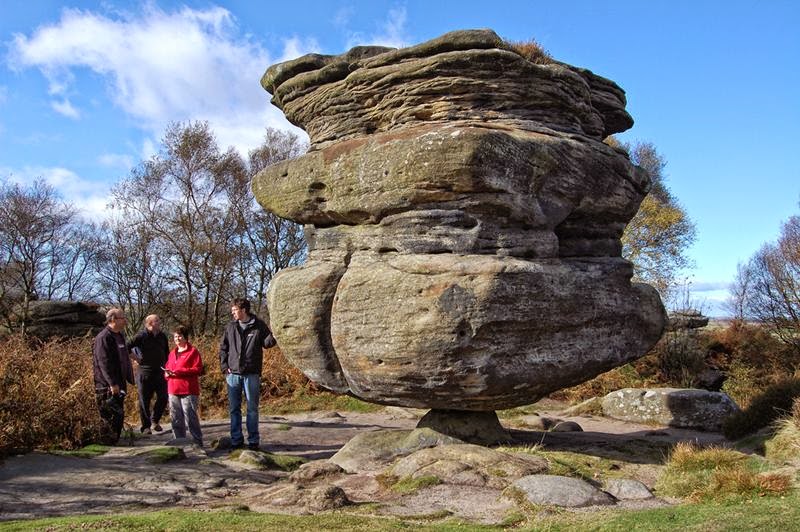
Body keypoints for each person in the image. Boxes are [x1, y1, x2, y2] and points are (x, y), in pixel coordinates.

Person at [219, 298, 276, 450]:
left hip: (251, 374)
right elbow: (223, 348)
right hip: (233, 374)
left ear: (243, 310)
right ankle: (236, 440)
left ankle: (253, 441)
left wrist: (276, 332)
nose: (232, 313)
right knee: (234, 409)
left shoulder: (259, 325)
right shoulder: (230, 327)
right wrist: (225, 367)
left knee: (252, 409)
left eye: (235, 310)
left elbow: (267, 343)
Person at [92, 307, 134, 444]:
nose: (125, 320)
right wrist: (111, 383)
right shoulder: (104, 338)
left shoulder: (120, 336)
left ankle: (115, 440)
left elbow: (125, 358)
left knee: (119, 413)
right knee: (109, 414)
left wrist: (129, 378)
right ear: (113, 319)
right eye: (122, 318)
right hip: (106, 386)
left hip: (120, 382)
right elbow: (103, 363)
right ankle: (108, 442)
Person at [128, 314, 169, 434]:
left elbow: (167, 352)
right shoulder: (141, 336)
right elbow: (126, 346)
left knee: (163, 397)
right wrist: (135, 358)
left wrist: (168, 366)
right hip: (144, 372)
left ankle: (155, 420)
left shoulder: (162, 336)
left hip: (160, 371)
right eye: (157, 321)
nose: (160, 322)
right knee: (144, 400)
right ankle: (146, 426)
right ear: (150, 323)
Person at [164, 326, 204, 446]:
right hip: (173, 389)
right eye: (175, 336)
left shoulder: (193, 352)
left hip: (188, 389)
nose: (177, 338)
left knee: (190, 417)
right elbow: (167, 367)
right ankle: (179, 443)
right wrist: (166, 373)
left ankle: (197, 442)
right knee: (175, 418)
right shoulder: (172, 353)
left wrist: (180, 371)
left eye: (180, 336)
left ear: (186, 337)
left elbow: (198, 369)